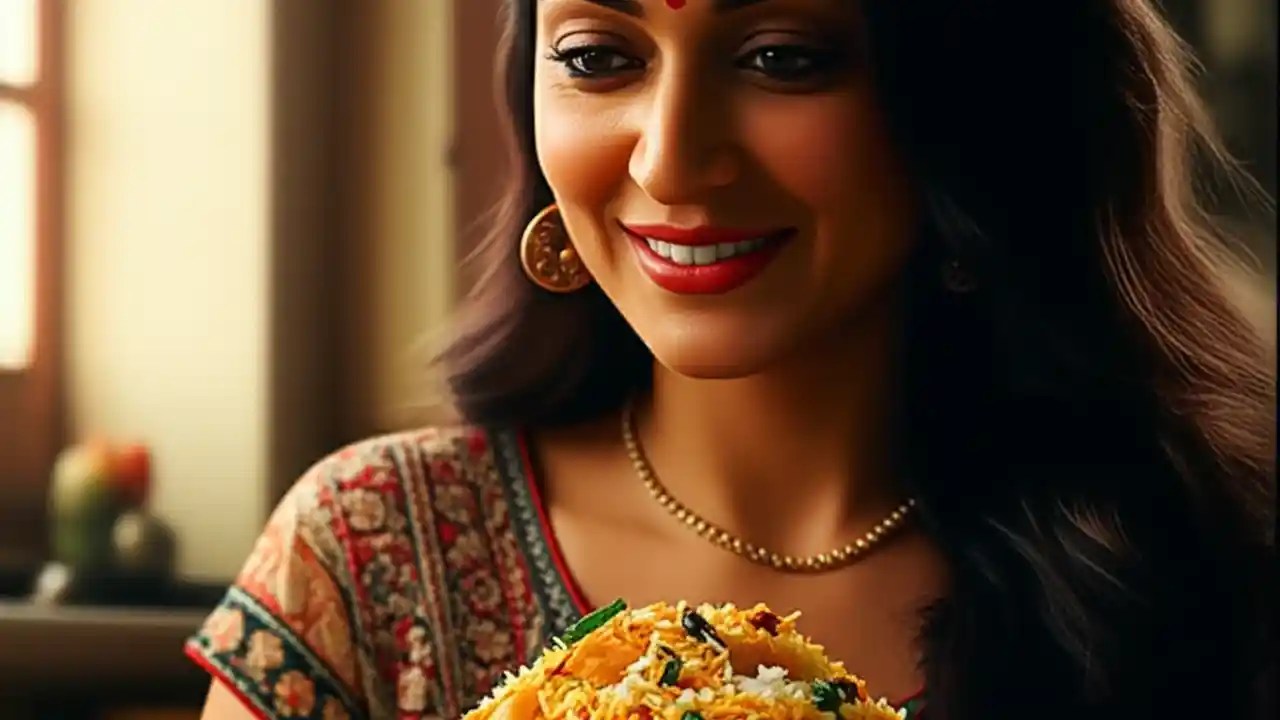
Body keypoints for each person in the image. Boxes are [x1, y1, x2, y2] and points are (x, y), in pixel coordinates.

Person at [191, 1, 1276, 718]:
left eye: (781, 58)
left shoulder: (1199, 563)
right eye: (598, 57)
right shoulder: (372, 555)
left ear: (970, 111)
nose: (669, 161)